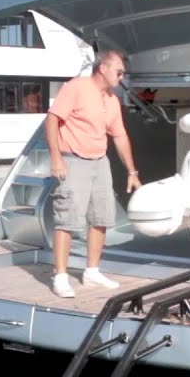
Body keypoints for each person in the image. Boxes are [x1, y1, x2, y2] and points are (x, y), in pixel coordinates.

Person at [44, 50, 142, 298]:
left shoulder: (111, 100)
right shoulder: (77, 87)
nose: (121, 77)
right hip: (72, 160)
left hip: (100, 161)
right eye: (119, 72)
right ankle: (61, 276)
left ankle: (92, 271)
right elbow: (52, 120)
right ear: (103, 68)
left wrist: (132, 171)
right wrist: (56, 157)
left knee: (101, 217)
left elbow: (119, 136)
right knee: (67, 220)